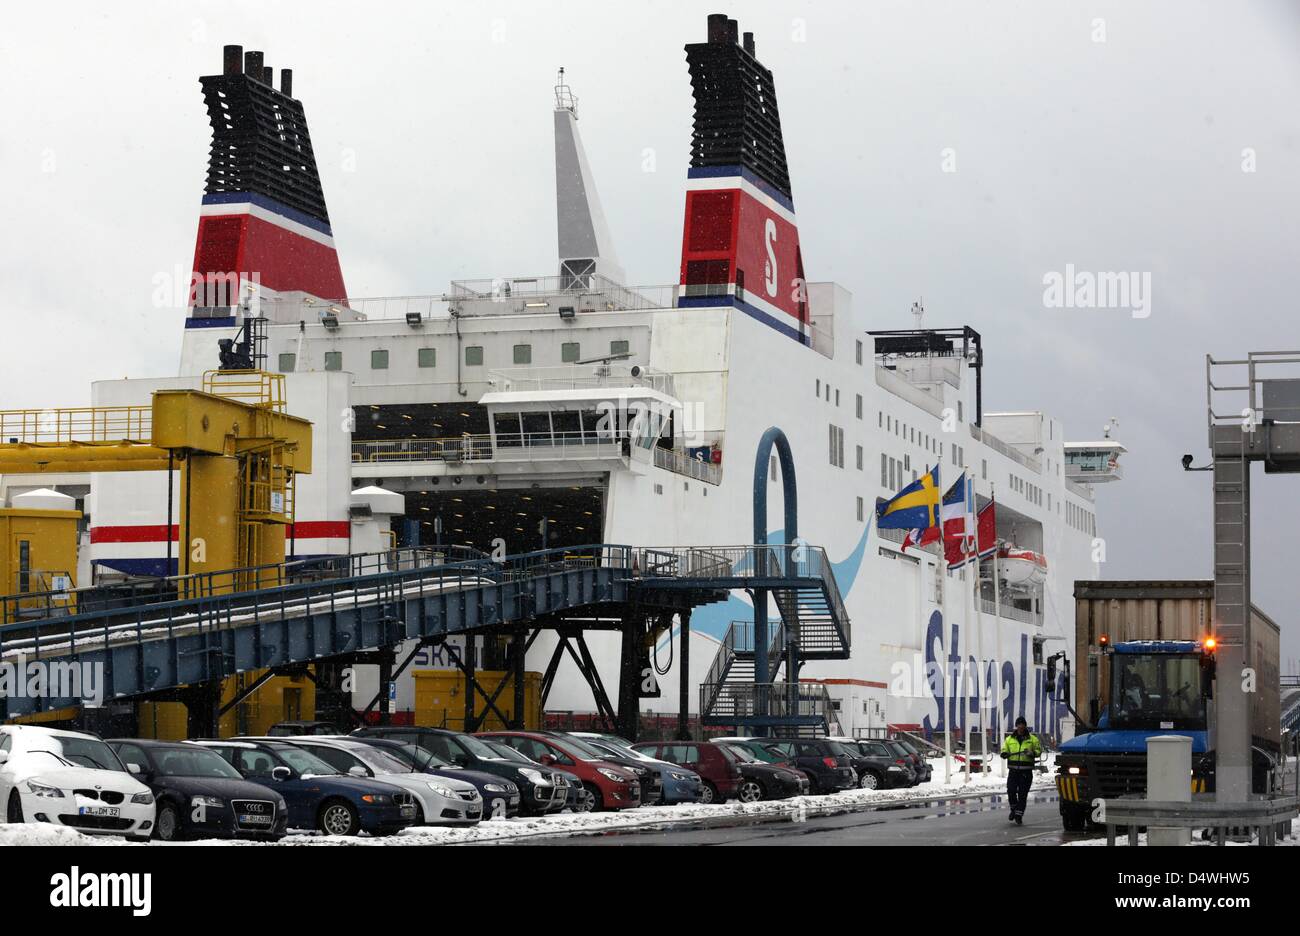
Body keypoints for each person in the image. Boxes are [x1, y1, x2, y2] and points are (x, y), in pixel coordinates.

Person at [1000, 716, 1041, 825]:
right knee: (1011, 791)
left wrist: (1032, 753)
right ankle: (1013, 809)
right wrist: (1004, 753)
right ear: (1016, 726)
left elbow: (1038, 750)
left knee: (1023, 794)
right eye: (1019, 724)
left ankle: (1018, 815)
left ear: (1025, 726)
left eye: (1022, 724)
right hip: (1013, 771)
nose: (1021, 726)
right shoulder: (1009, 739)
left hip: (1026, 772)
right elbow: (1004, 748)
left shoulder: (1033, 739)